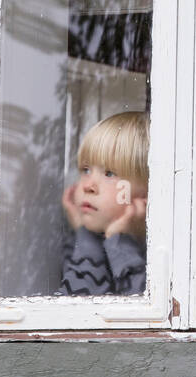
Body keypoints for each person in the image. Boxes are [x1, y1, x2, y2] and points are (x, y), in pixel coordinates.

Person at [57, 111, 148, 296]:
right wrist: (85, 234)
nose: (88, 186)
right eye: (86, 170)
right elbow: (73, 306)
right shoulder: (77, 244)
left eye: (109, 174)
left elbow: (142, 313)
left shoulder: (157, 261)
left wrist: (120, 242)